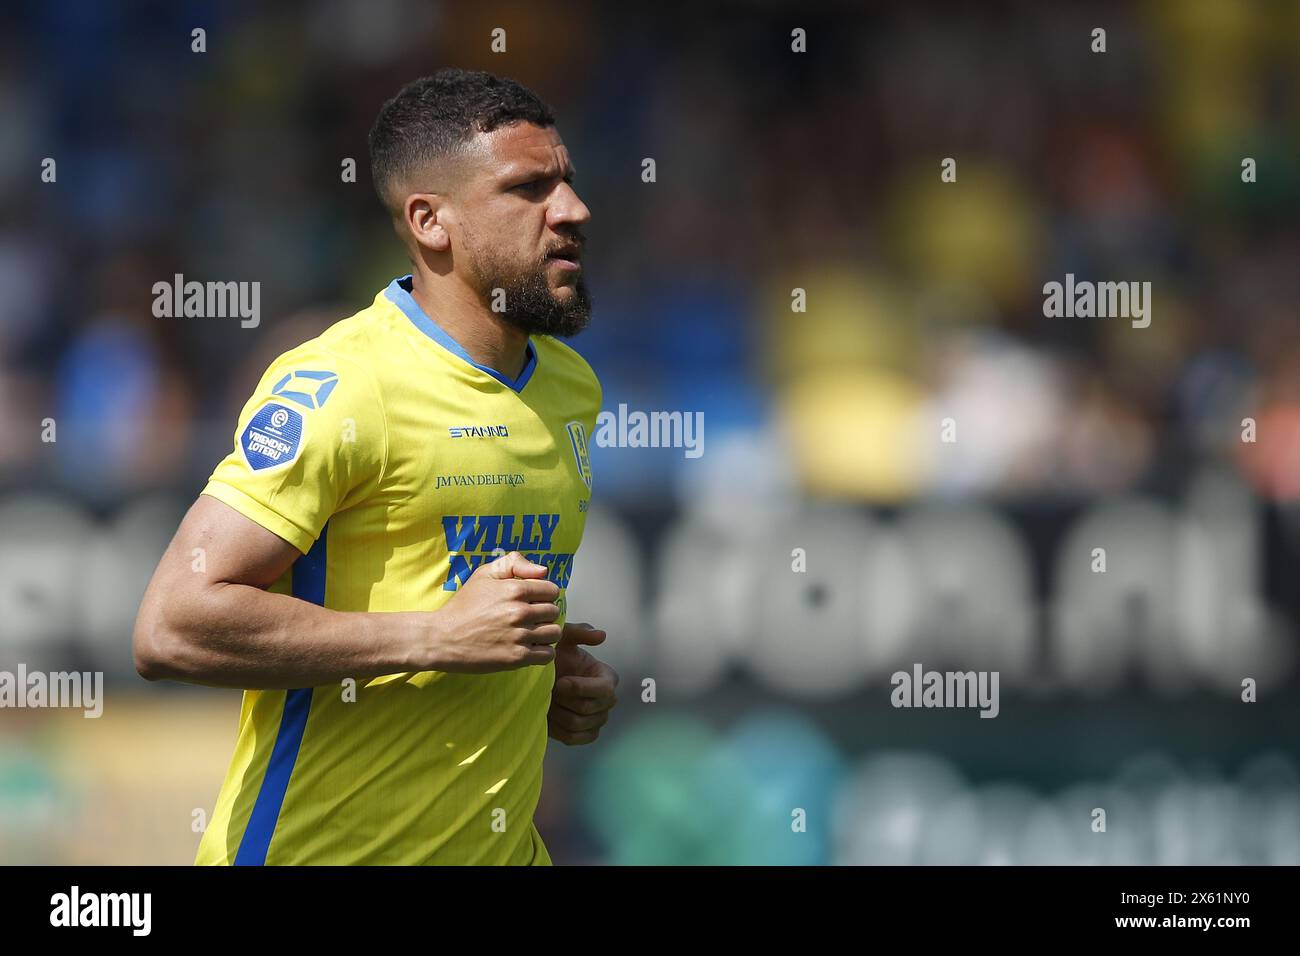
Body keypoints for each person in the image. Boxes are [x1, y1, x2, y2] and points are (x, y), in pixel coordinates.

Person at [133, 68, 618, 865]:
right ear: (432, 222)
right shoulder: (344, 384)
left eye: (567, 181)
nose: (571, 210)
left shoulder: (571, 386)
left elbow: (460, 608)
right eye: (530, 188)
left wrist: (543, 684)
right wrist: (434, 637)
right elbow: (171, 625)